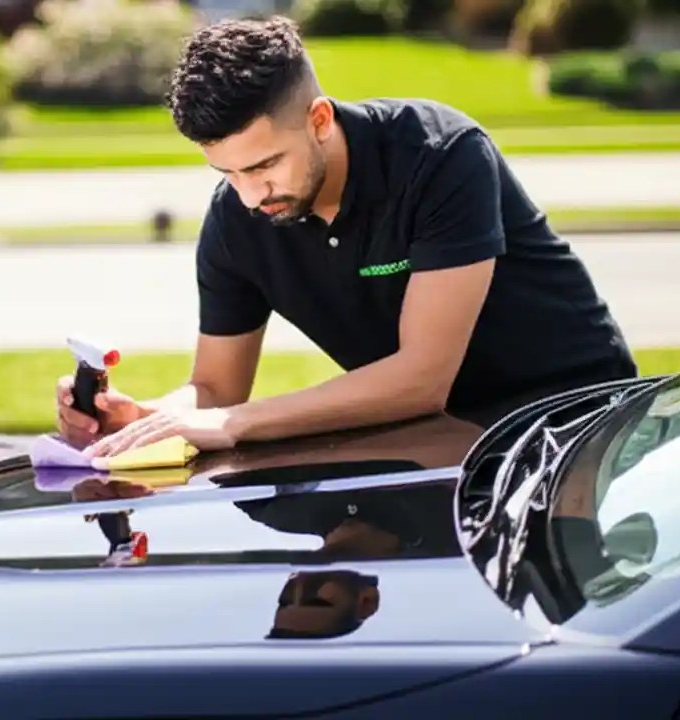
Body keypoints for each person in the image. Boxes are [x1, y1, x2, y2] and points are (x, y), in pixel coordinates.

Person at [59, 15, 637, 458]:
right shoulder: (237, 220)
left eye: (264, 165)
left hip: (577, 413)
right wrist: (144, 418)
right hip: (441, 436)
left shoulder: (438, 157)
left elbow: (422, 379)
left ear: (319, 120)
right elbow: (214, 388)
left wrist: (235, 424)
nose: (250, 195)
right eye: (227, 173)